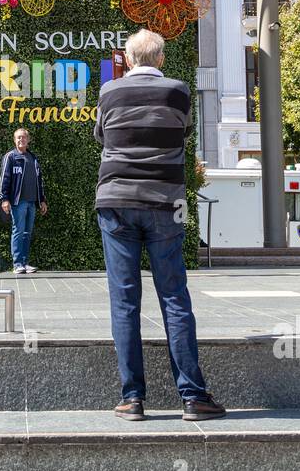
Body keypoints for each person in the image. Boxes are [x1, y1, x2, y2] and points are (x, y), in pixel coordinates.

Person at [94, 29, 225, 423]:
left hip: (115, 201)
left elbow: (101, 135)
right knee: (174, 296)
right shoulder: (178, 91)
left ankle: (132, 399)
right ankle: (192, 397)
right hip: (168, 202)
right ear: (162, 59)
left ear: (129, 60)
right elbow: (183, 132)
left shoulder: (108, 92)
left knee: (124, 299)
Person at [0, 128, 48, 275]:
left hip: (32, 202)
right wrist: (4, 199)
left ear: (28, 140)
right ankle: (17, 264)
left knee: (27, 233)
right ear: (14, 140)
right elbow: (4, 179)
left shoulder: (33, 158)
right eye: (19, 138)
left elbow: (39, 182)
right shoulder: (10, 157)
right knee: (18, 231)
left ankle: (25, 263)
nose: (21, 140)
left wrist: (42, 201)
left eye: (24, 137)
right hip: (17, 202)